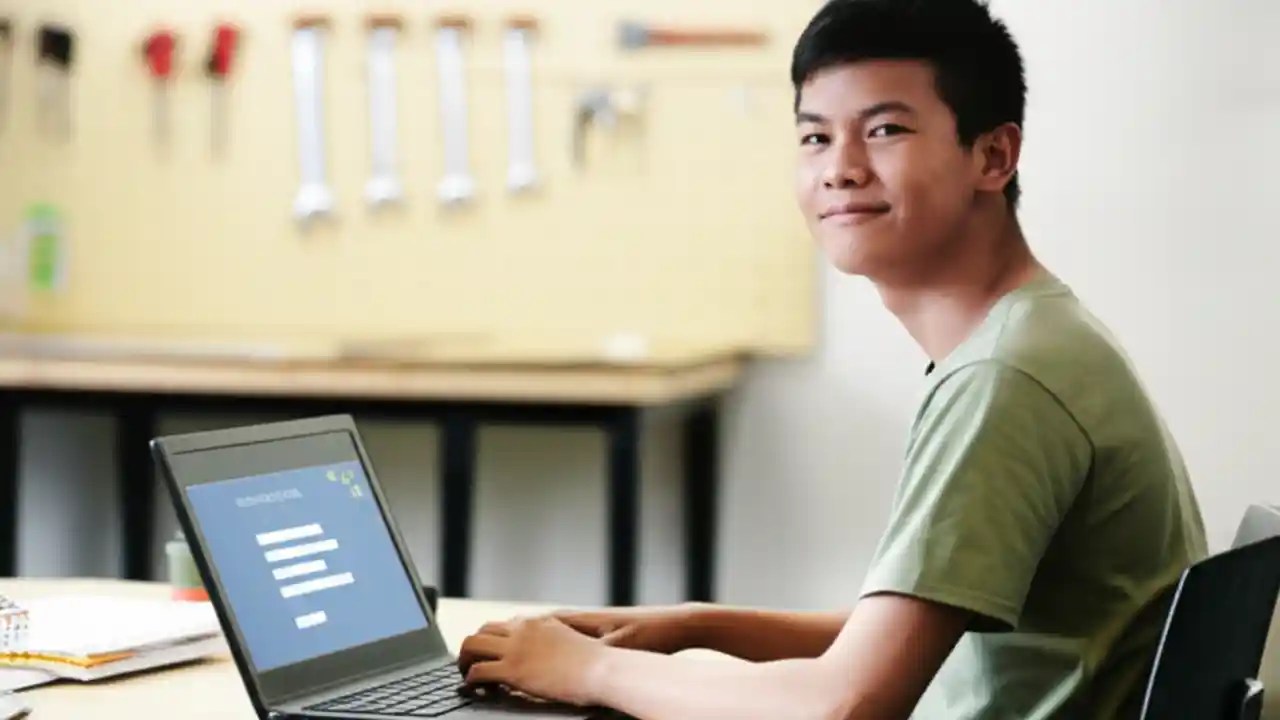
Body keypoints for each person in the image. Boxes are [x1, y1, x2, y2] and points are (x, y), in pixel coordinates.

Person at [457, 0, 1208, 717]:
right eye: (816, 137)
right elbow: (898, 645)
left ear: (993, 155)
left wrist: (590, 670)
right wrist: (693, 626)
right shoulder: (1038, 337)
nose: (840, 168)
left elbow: (845, 704)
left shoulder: (1004, 378)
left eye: (883, 130)